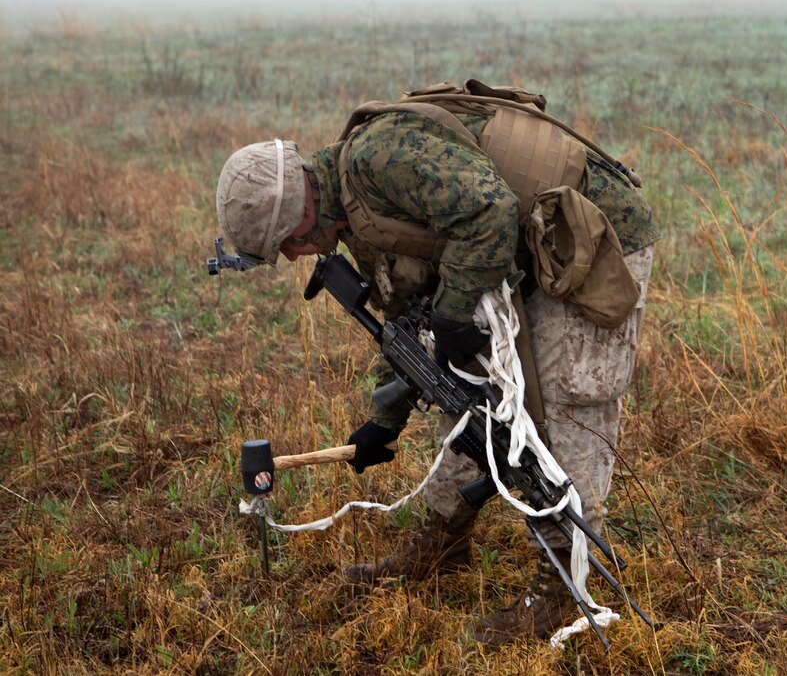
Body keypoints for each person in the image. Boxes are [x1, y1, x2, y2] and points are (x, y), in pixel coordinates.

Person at [214, 81, 658, 644]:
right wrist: (384, 420)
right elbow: (405, 319)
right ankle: (442, 544)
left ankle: (566, 583)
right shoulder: (352, 215)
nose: (291, 257)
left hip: (591, 233)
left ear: (298, 214)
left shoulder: (379, 161)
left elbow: (491, 211)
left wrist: (453, 315)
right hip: (526, 244)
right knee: (466, 397)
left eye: (286, 244)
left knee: (562, 410)